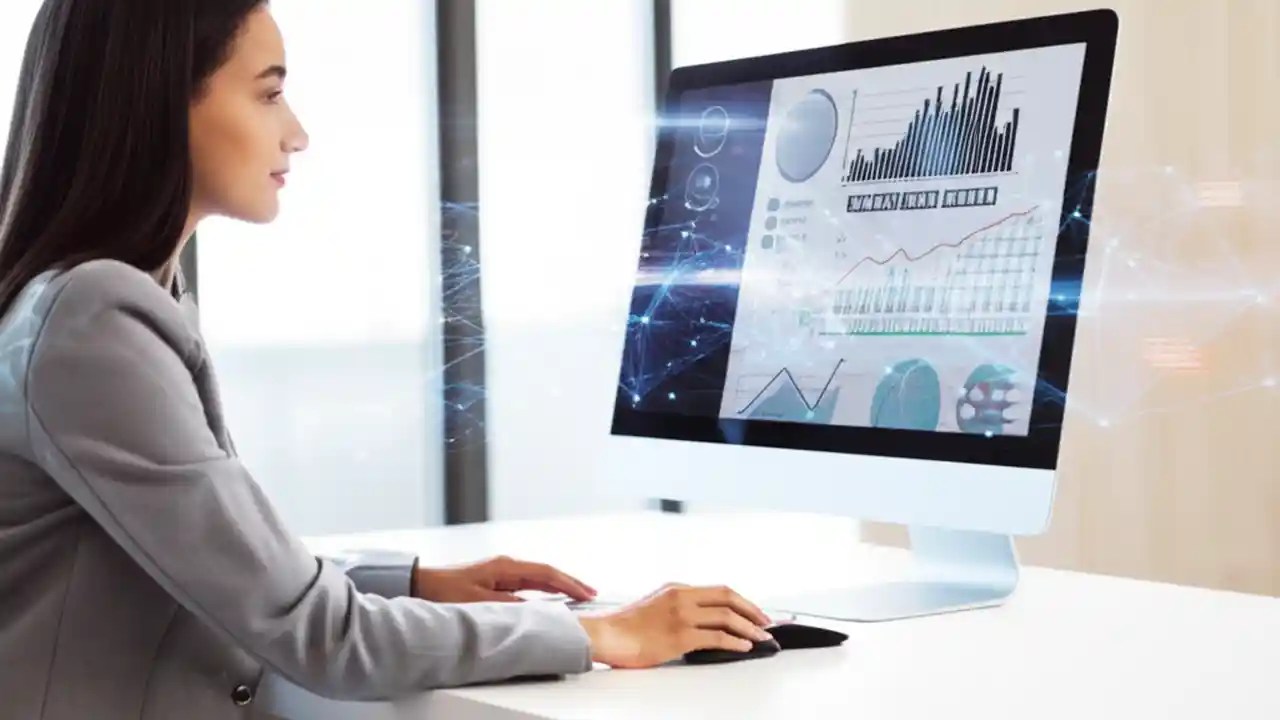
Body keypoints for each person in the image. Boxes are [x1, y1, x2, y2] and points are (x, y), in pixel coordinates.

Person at [0, 2, 775, 718]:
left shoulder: (95, 304)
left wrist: (413, 583)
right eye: (268, 95)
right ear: (161, 103)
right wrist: (604, 637)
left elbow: (224, 568)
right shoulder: (95, 321)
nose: (296, 133)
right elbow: (317, 635)